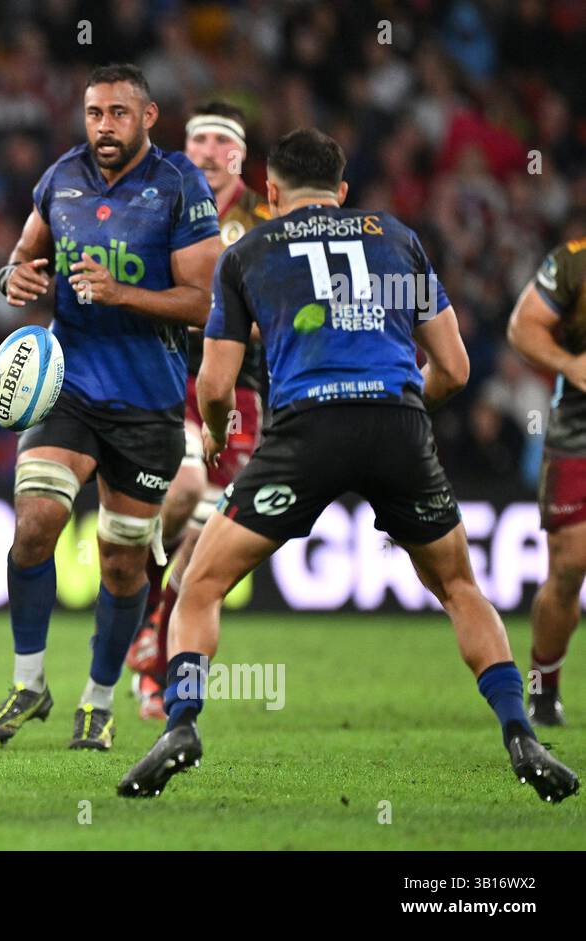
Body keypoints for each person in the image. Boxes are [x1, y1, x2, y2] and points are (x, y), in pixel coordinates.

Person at [118, 128, 579, 803]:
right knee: (459, 587)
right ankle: (521, 733)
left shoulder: (246, 251)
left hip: (305, 431)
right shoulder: (396, 237)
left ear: (270, 193)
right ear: (341, 192)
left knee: (201, 583)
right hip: (396, 422)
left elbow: (216, 386)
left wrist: (216, 435)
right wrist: (398, 406)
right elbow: (455, 367)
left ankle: (181, 724)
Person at [0, 63, 222, 750]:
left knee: (122, 562)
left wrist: (123, 295)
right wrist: (14, 275)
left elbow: (207, 302)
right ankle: (29, 681)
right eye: (93, 113)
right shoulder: (60, 178)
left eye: (117, 112)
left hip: (147, 403)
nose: (103, 126)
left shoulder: (179, 186)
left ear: (148, 117)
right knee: (34, 524)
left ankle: (99, 698)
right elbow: (21, 259)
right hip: (70, 388)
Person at [127, 101, 270, 720]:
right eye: (199, 140)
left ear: (240, 154)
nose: (209, 151)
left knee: (209, 536)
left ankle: (154, 645)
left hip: (239, 389)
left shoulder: (267, 220)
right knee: (183, 491)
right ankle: (140, 610)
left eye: (222, 141)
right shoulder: (161, 205)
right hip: (171, 375)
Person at [506, 224, 586, 726]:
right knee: (569, 566)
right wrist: (571, 364)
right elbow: (523, 326)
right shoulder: (575, 262)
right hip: (579, 430)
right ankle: (544, 682)